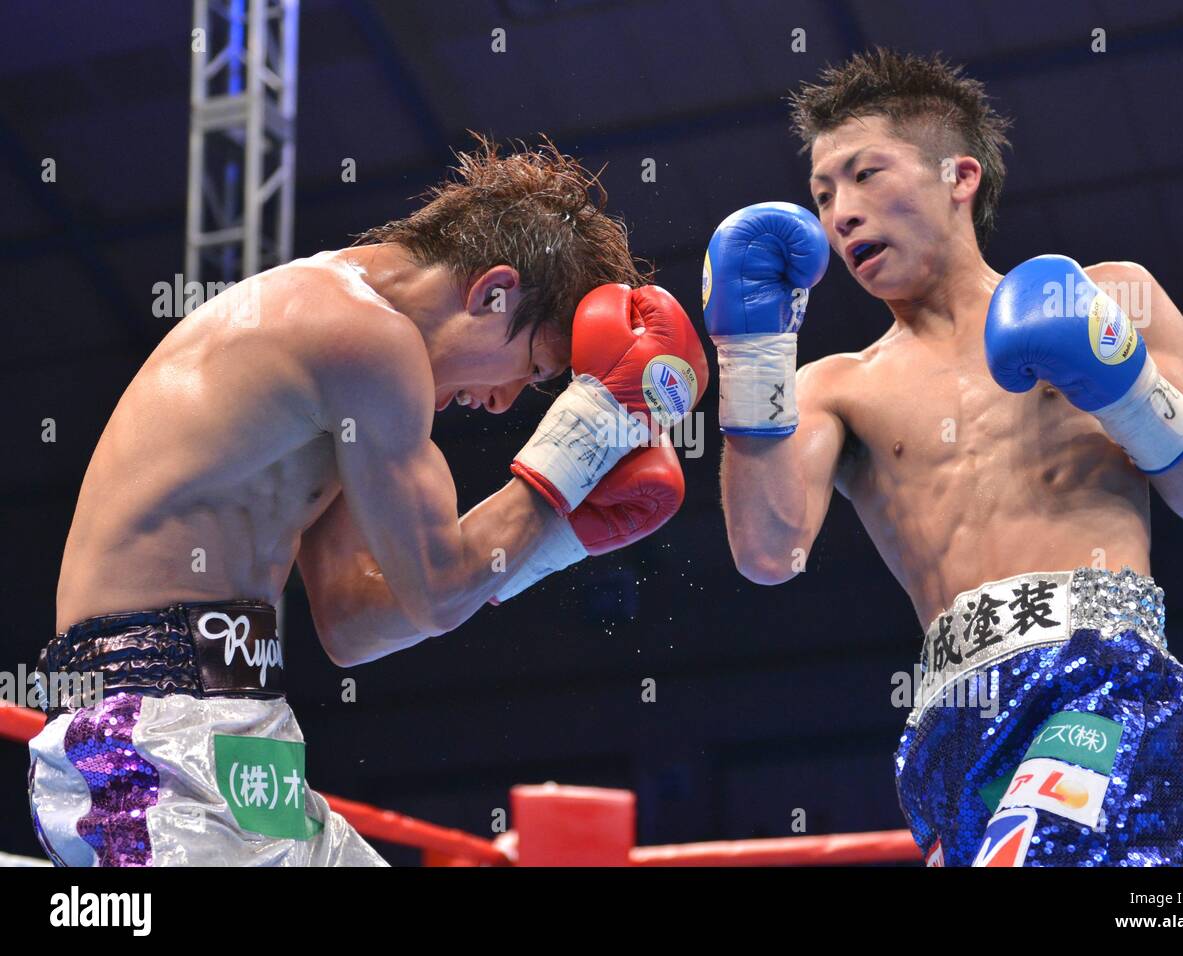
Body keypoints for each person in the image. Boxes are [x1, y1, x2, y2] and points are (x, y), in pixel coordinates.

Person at [29, 135, 706, 866]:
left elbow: (360, 622)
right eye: (533, 367)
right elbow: (442, 591)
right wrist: (585, 435)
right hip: (145, 725)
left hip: (243, 726)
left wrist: (558, 539)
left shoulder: (360, 396)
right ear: (492, 292)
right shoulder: (358, 336)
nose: (505, 400)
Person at [707, 50, 1183, 866]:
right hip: (947, 726)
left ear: (958, 175)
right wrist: (751, 358)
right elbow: (766, 553)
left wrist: (1122, 389)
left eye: (866, 175)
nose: (842, 213)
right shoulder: (835, 388)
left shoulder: (1110, 297)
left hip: (1100, 683)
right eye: (823, 195)